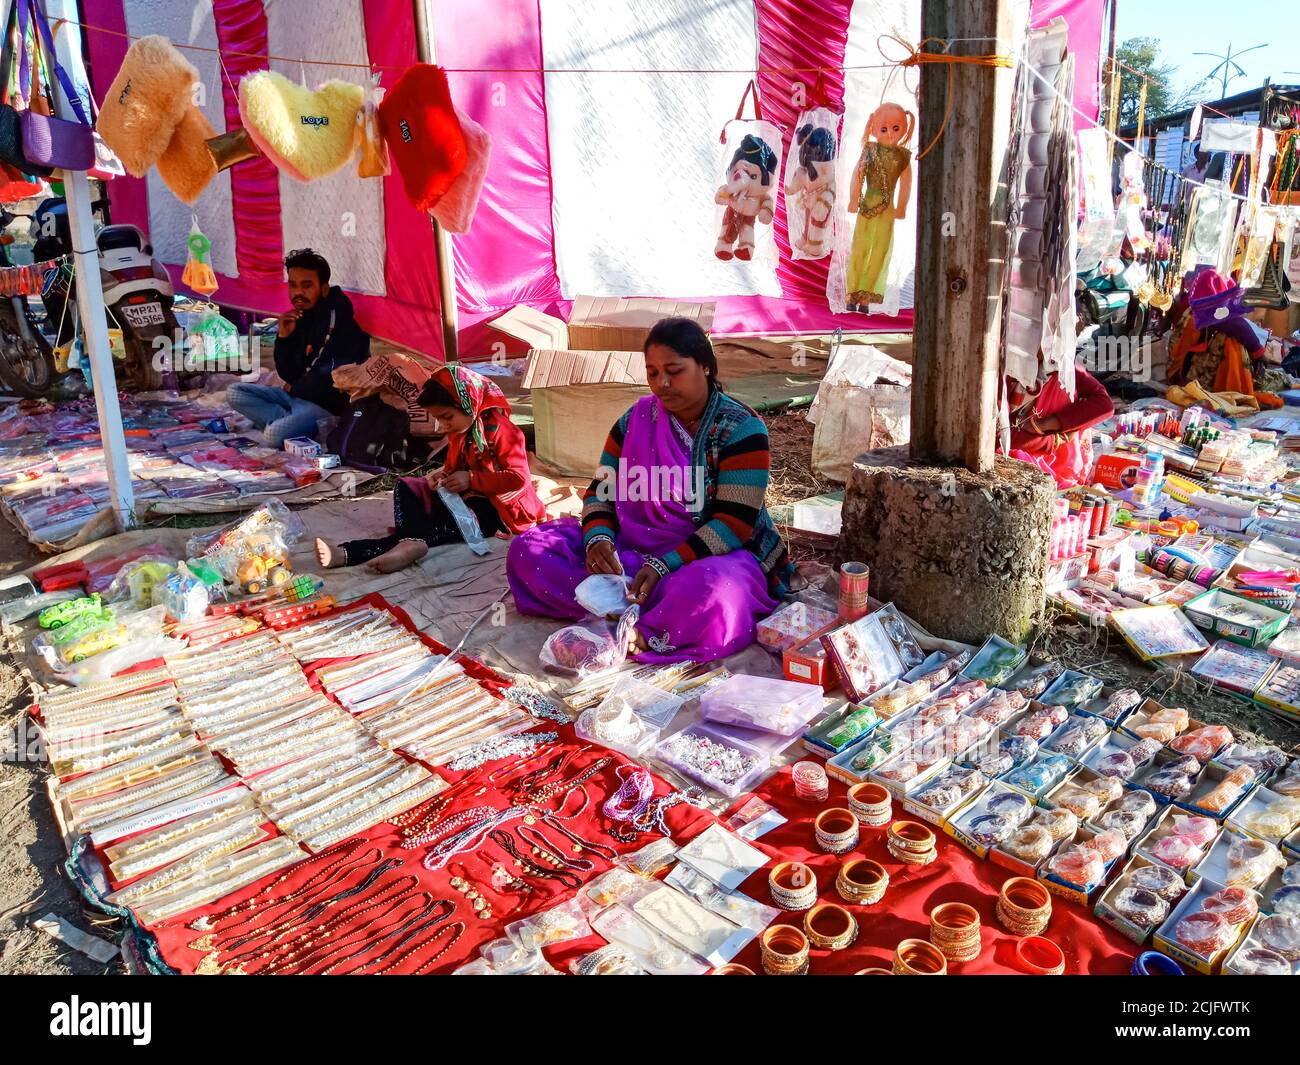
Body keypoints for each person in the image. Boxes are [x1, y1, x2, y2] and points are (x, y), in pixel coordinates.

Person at [507, 317, 794, 663]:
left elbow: (733, 525)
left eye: (674, 370)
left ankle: (632, 615)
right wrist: (598, 539)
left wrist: (664, 564)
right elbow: (602, 491)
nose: (662, 383)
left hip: (706, 558)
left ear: (705, 366)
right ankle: (638, 611)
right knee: (529, 551)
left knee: (715, 593)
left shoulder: (741, 429)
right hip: (630, 550)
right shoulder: (635, 420)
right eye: (653, 372)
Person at [317, 365, 546, 573]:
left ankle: (349, 553)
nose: (444, 426)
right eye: (439, 420)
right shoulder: (459, 432)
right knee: (407, 487)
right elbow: (454, 467)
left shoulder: (504, 432)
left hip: (496, 510)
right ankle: (411, 542)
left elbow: (517, 479)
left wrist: (472, 479)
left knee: (435, 527)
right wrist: (443, 477)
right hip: (464, 498)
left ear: (470, 403)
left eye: (447, 417)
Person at [229, 248, 370, 446]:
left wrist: (295, 388)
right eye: (293, 285)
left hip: (324, 405)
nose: (298, 293)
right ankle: (286, 420)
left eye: (307, 286)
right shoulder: (301, 315)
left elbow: (327, 373)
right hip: (297, 397)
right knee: (235, 392)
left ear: (324, 289)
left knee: (273, 436)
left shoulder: (335, 316)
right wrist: (284, 337)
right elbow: (288, 374)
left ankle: (286, 422)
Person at [1167, 266, 1287, 396]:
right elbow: (1237, 325)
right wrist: (1258, 353)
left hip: (1181, 372)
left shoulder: (1194, 308)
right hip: (1186, 377)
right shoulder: (1211, 313)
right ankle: (1231, 388)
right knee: (1232, 342)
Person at [1007, 366, 1114, 489]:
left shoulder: (1064, 365)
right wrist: (1050, 441)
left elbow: (1105, 405)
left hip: (1062, 465)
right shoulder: (1009, 365)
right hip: (1021, 466)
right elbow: (996, 435)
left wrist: (1044, 425)